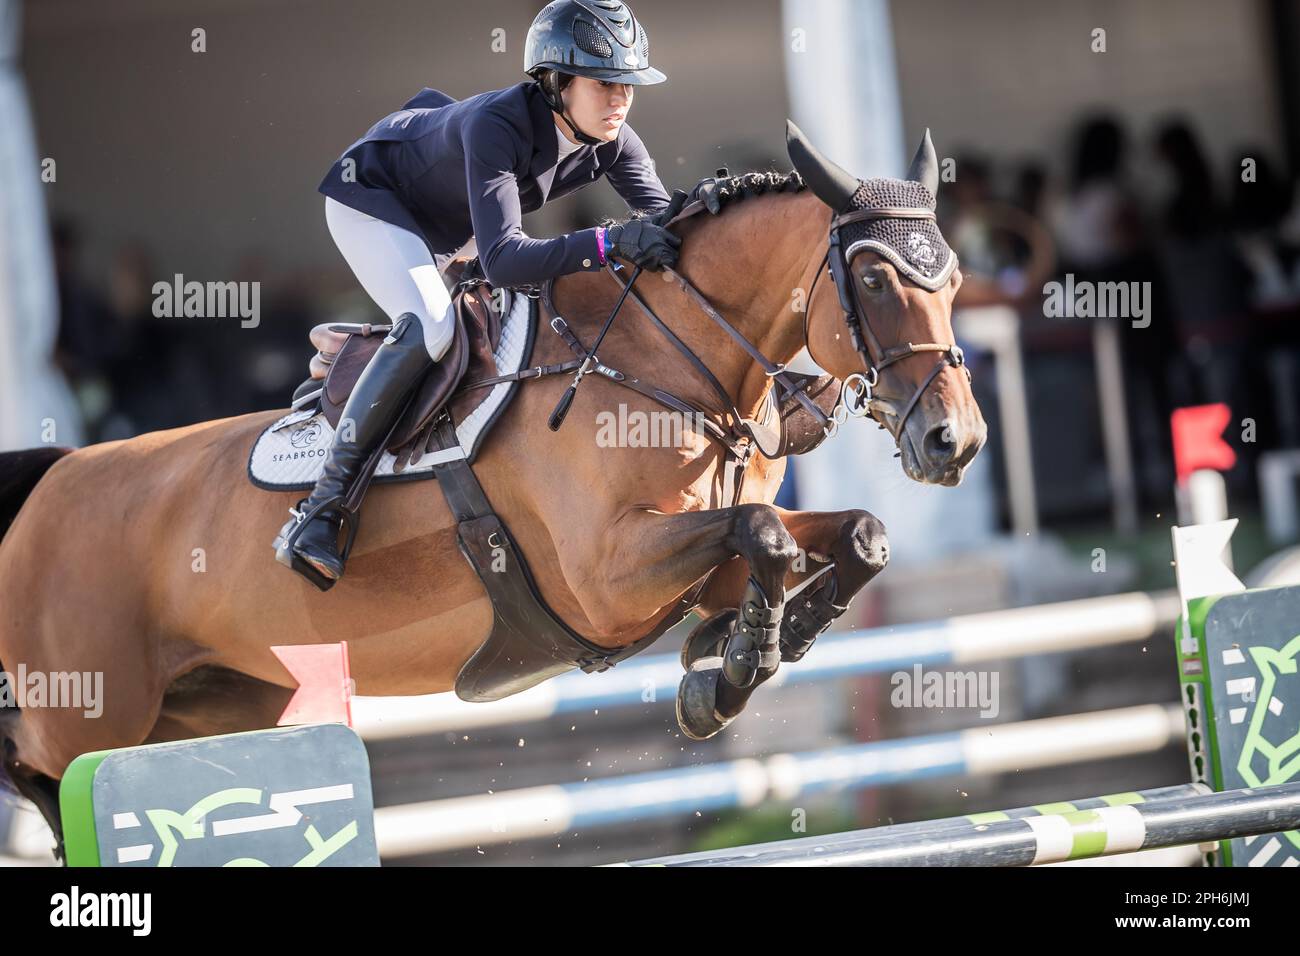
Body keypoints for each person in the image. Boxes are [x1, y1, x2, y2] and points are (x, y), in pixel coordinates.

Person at [275, 0, 681, 589]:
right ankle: (321, 508)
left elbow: (667, 225)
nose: (621, 98)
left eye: (628, 85)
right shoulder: (500, 125)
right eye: (604, 82)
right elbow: (507, 260)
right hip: (374, 200)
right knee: (434, 325)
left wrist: (714, 209)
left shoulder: (614, 140)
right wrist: (608, 241)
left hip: (452, 227)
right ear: (556, 81)